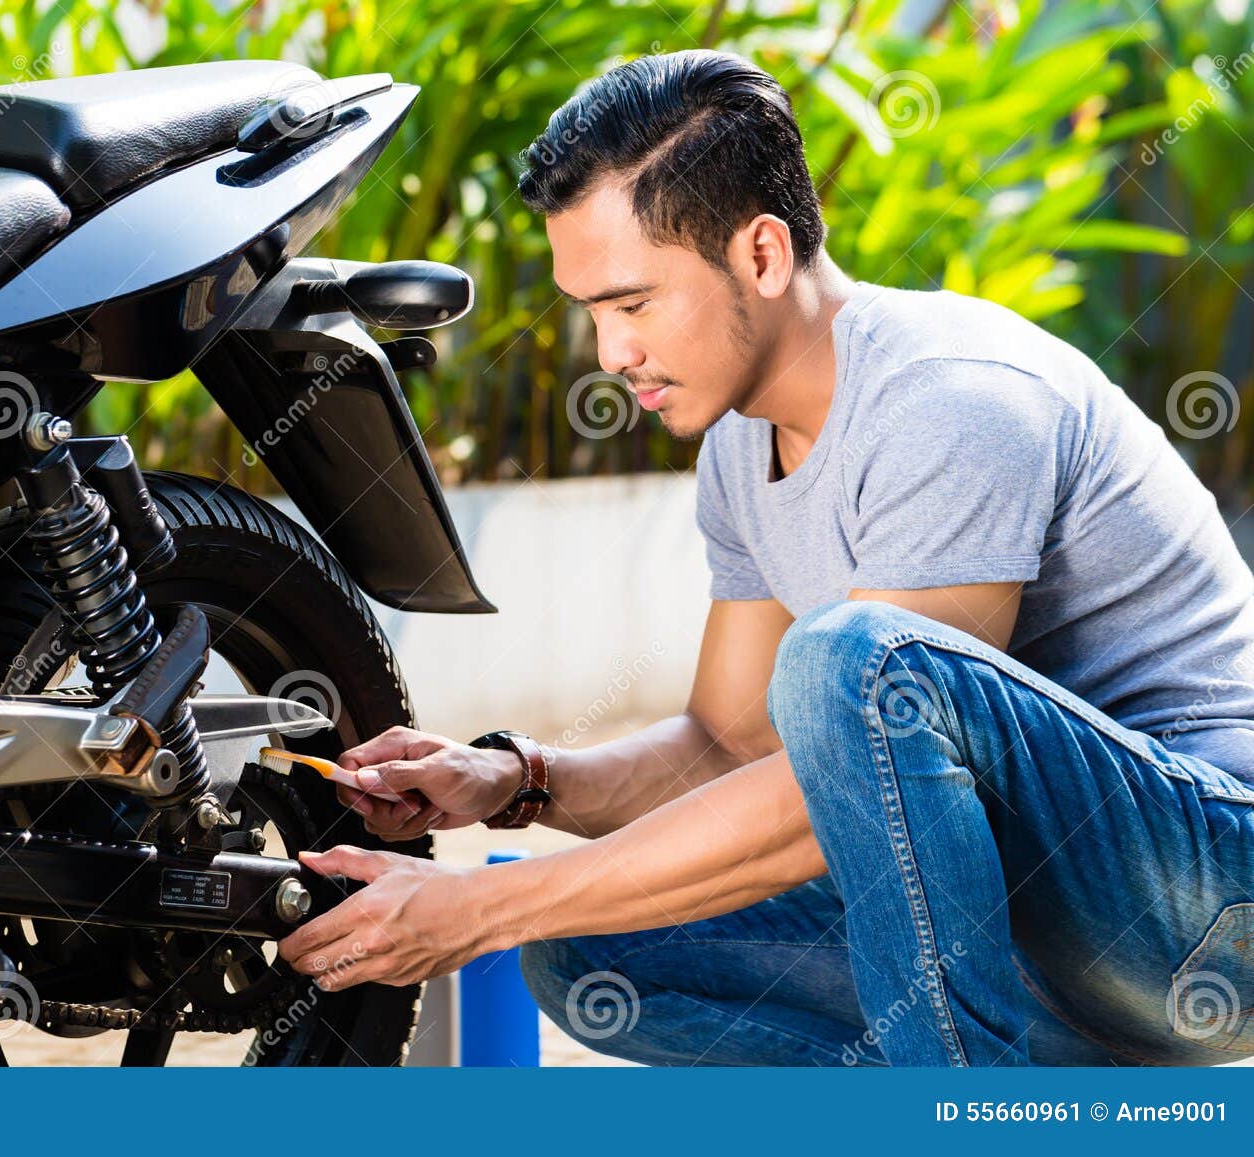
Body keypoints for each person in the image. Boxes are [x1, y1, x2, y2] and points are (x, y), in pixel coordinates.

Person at [276, 49, 1254, 1066]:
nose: (610, 354)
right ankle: (992, 1082)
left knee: (855, 659)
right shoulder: (742, 447)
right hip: (1052, 944)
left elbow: (830, 772)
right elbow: (727, 746)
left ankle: (951, 1102)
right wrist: (521, 778)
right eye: (591, 313)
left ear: (760, 253)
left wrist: (480, 902)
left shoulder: (952, 398)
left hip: (1208, 903)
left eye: (633, 303)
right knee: (591, 952)